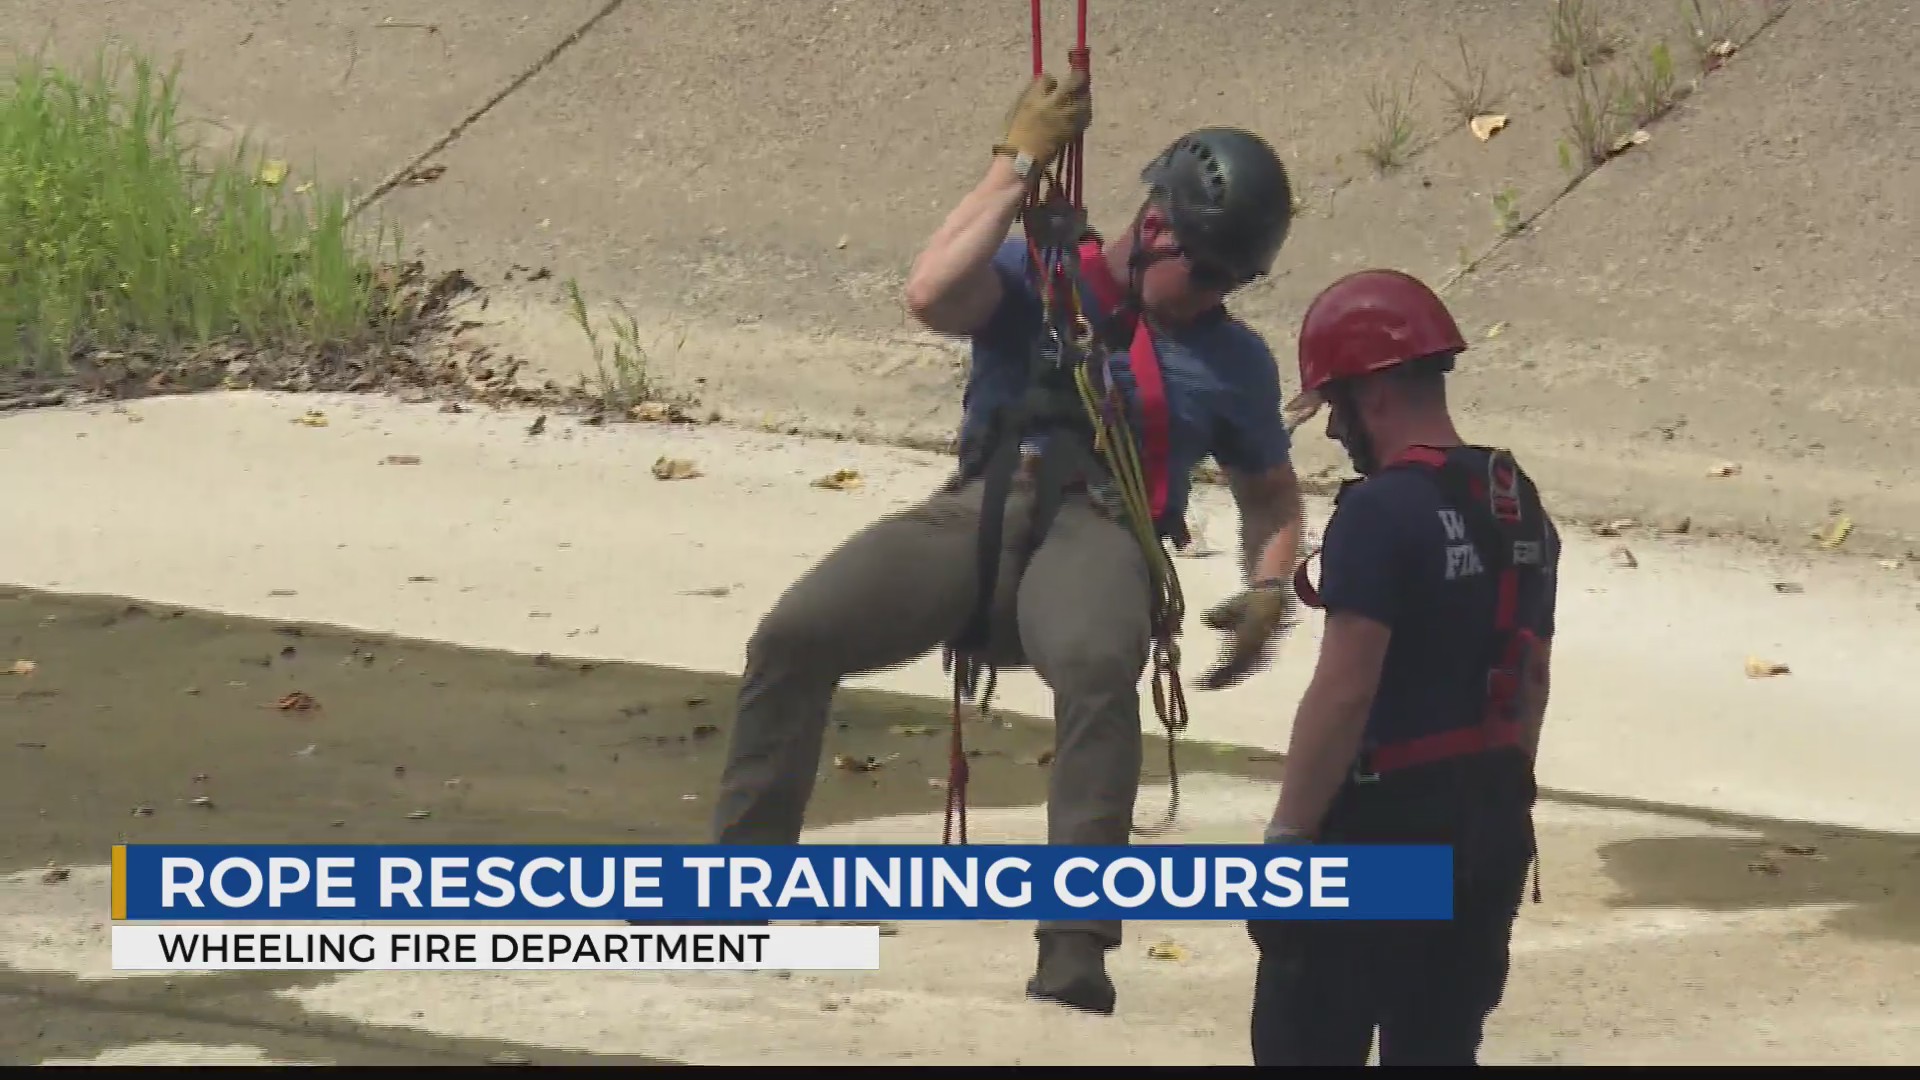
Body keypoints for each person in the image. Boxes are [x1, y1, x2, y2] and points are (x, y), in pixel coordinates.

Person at [706, 69, 1309, 1016]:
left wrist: (1270, 590)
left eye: (1236, 277)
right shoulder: (1044, 275)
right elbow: (931, 293)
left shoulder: (1233, 361)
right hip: (985, 504)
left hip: (1104, 530)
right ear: (1157, 229)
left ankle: (1075, 949)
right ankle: (739, 900)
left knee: (1097, 669)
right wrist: (1015, 165)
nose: (1218, 291)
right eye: (1210, 269)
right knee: (793, 635)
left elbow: (1272, 499)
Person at [1245, 268, 1560, 1065]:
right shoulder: (1514, 499)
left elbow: (1345, 690)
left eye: (1335, 407)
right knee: (1437, 1049)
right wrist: (1498, 809)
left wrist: (1286, 839)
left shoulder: (1382, 510)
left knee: (1302, 1042)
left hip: (1382, 834)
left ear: (1372, 391)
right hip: (1486, 831)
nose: (1333, 432)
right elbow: (1531, 683)